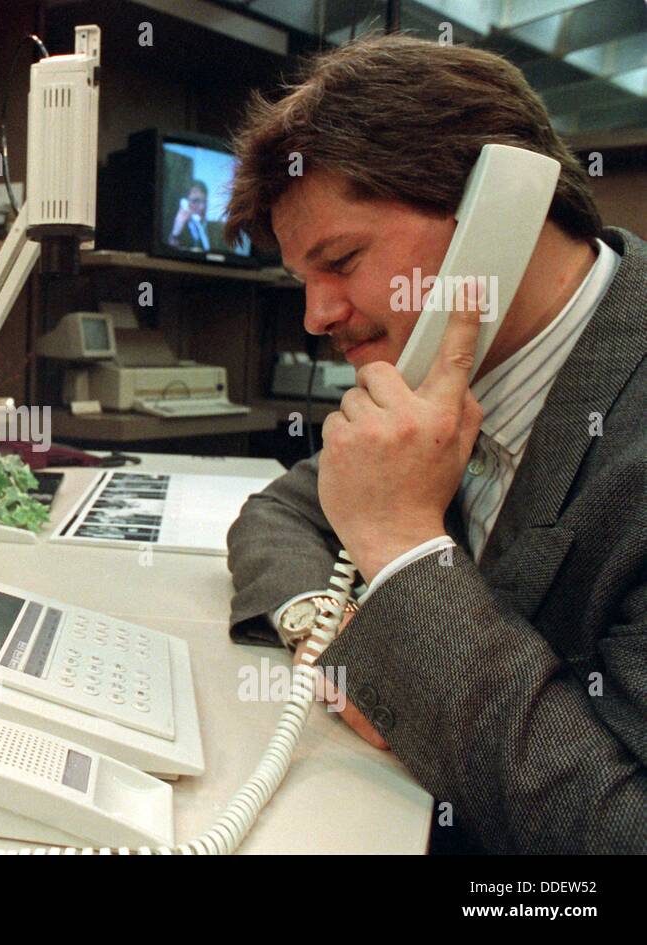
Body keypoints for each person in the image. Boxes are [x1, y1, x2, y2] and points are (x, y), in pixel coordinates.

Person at [222, 35, 645, 853]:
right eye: (302, 280)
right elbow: (279, 510)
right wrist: (333, 622)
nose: (316, 316)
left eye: (341, 260)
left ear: (502, 208)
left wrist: (403, 550)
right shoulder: (443, 385)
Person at [167, 181, 212, 251]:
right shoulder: (174, 225)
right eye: (196, 201)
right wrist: (176, 232)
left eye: (204, 201)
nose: (202, 207)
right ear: (184, 202)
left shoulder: (213, 228)